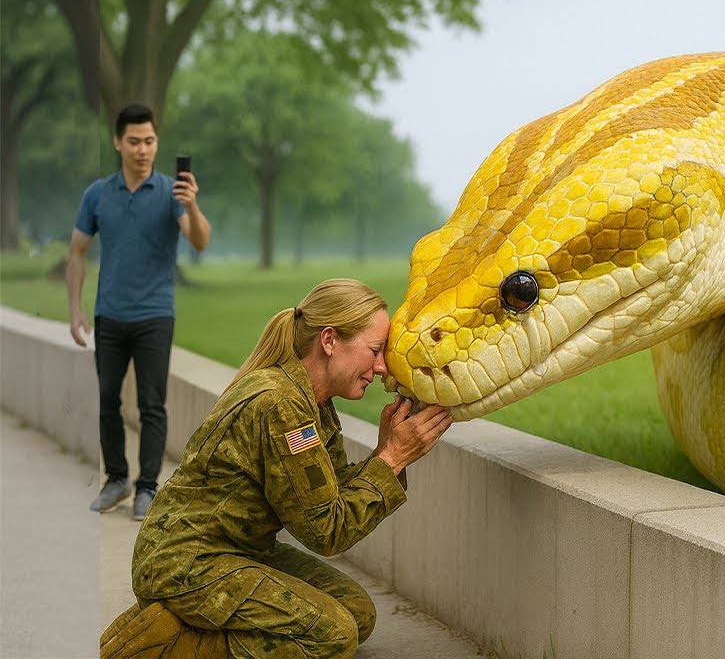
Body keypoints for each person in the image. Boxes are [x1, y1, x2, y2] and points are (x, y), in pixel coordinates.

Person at [100, 278, 454, 659]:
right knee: (332, 635)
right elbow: (325, 532)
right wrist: (392, 459)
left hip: (239, 550)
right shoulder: (280, 404)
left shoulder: (309, 398)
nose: (382, 367)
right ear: (330, 340)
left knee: (357, 613)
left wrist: (385, 452)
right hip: (188, 562)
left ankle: (180, 622)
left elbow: (327, 494)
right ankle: (161, 645)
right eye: (374, 350)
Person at [68, 103, 212, 520]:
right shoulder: (97, 195)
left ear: (156, 143)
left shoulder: (172, 194)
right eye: (134, 141)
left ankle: (147, 487)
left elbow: (199, 240)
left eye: (149, 141)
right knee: (107, 401)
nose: (142, 149)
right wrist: (76, 309)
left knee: (152, 404)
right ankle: (116, 480)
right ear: (118, 143)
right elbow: (76, 252)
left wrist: (193, 206)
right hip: (109, 315)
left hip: (154, 315)